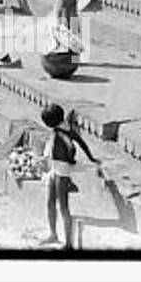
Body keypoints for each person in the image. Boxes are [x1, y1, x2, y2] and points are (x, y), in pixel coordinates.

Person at [41, 104, 99, 249]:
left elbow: (73, 147)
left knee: (64, 208)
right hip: (55, 170)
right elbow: (80, 142)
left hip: (62, 172)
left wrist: (87, 159)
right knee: (50, 203)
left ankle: (68, 244)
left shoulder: (61, 133)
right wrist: (90, 157)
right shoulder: (63, 128)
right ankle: (53, 234)